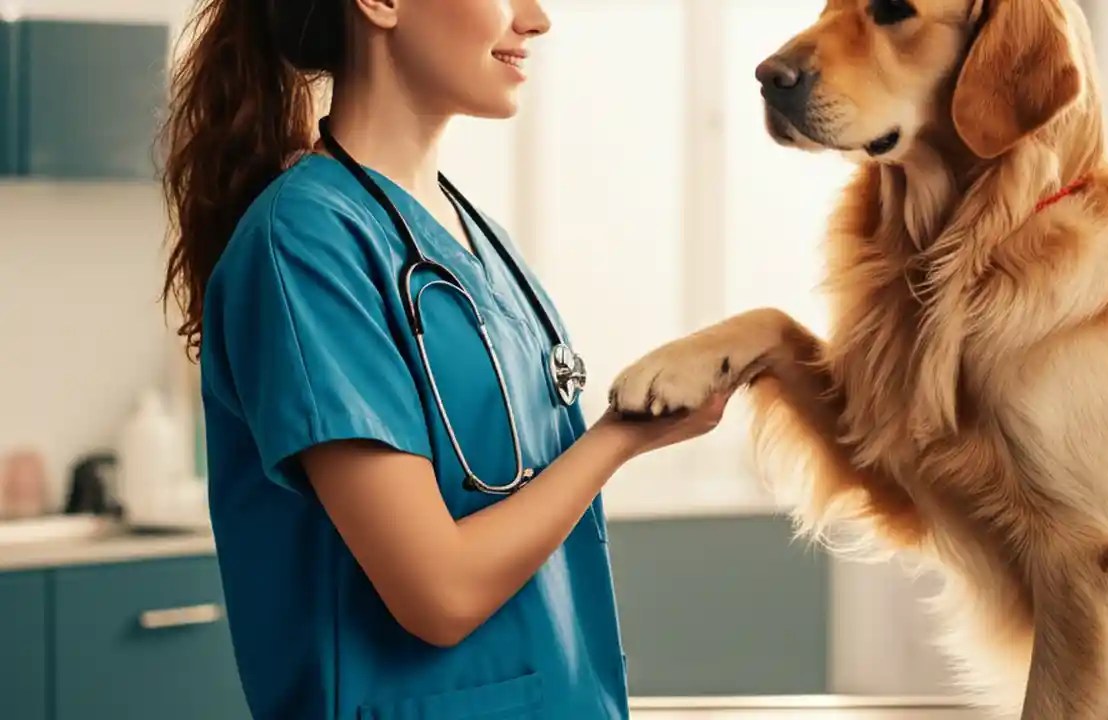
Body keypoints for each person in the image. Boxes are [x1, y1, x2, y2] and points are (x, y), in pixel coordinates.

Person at [158, 0, 727, 718]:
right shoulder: (305, 243)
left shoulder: (477, 240)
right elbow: (439, 593)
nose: (537, 19)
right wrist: (618, 439)